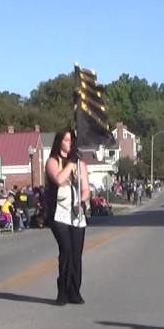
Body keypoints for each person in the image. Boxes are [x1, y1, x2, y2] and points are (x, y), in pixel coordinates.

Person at [45, 129, 90, 305]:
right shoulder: (53, 161)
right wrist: (70, 164)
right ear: (59, 142)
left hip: (76, 214)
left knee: (76, 254)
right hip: (59, 214)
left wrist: (82, 201)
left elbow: (86, 189)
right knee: (66, 251)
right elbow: (58, 179)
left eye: (71, 140)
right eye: (66, 140)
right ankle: (63, 291)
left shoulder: (80, 164)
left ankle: (75, 291)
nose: (69, 143)